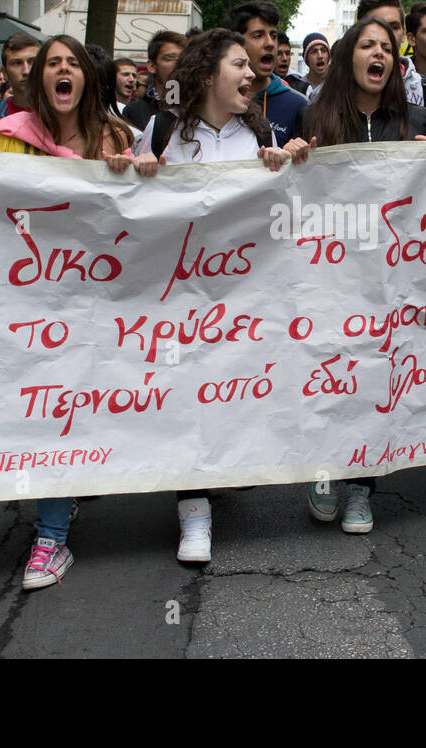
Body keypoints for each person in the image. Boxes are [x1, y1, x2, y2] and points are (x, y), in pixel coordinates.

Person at [0, 35, 136, 589]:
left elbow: (139, 219)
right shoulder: (7, 138)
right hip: (30, 305)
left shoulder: (116, 138)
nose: (62, 69)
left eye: (72, 63)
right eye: (51, 63)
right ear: (40, 80)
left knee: (85, 405)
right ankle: (51, 537)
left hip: (99, 300)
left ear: (86, 77)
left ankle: (69, 491)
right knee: (49, 409)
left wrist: (140, 172)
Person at [284, 18, 426, 529]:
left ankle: (362, 487)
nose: (379, 54)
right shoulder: (313, 115)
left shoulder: (416, 117)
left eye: (387, 48)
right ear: (349, 57)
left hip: (393, 275)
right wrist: (294, 155)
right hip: (332, 271)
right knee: (330, 370)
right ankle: (325, 469)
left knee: (376, 375)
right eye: (367, 45)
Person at [133, 28, 294, 564]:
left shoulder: (260, 134)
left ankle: (227, 467)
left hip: (243, 301)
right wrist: (138, 171)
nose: (251, 73)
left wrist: (287, 165)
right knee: (186, 397)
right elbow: (127, 208)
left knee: (229, 390)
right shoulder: (162, 131)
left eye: (250, 66)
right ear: (206, 75)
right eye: (239, 64)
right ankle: (194, 510)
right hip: (179, 297)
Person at [224, 0, 308, 148]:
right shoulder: (217, 101)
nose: (270, 43)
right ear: (236, 44)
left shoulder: (298, 105)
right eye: (258, 35)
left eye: (273, 35)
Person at [353, 0, 426, 117]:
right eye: (378, 26)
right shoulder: (340, 87)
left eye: (394, 27)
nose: (387, 34)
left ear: (403, 33)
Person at [0, 32, 41, 139]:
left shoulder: (59, 114)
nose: (26, 71)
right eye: (17, 63)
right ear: (5, 73)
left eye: (32, 62)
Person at [122, 30, 186, 130]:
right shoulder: (134, 111)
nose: (178, 64)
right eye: (170, 58)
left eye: (183, 59)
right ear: (152, 66)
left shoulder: (197, 108)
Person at [291, 32, 329, 100]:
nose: (320, 56)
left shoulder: (338, 85)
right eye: (314, 52)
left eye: (323, 50)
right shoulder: (297, 88)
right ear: (306, 58)